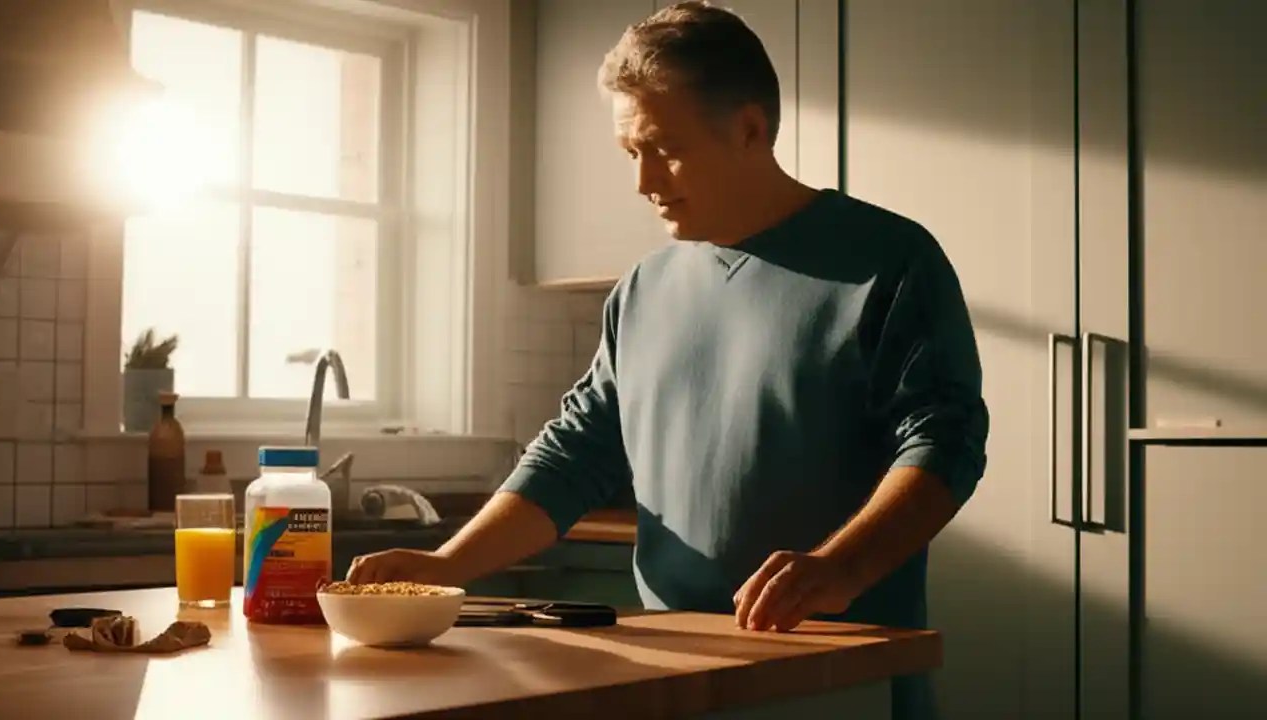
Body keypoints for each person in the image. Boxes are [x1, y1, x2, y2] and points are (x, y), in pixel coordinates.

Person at [349, 2, 988, 716]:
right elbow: (574, 456)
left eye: (665, 148)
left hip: (837, 675)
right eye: (631, 153)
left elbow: (945, 441)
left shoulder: (889, 260)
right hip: (676, 673)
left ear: (751, 129)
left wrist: (844, 565)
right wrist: (446, 566)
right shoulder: (643, 290)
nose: (643, 180)